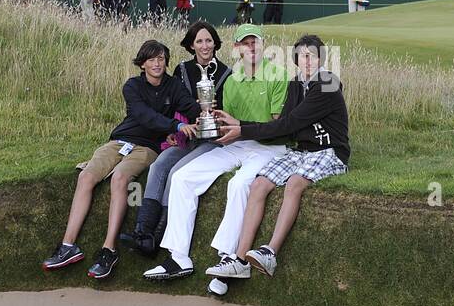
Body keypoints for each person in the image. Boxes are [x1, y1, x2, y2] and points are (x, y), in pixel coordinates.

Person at [42, 39, 202, 279]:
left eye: (161, 58)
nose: (157, 63)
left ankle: (109, 250)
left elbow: (189, 107)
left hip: (147, 148)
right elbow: (144, 116)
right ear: (142, 64)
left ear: (166, 61)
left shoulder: (174, 86)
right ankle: (68, 246)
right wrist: (176, 125)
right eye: (151, 59)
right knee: (86, 176)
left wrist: (203, 115)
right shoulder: (132, 86)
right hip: (120, 141)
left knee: (120, 178)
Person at [145, 24, 288, 280]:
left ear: (263, 44)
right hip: (239, 142)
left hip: (270, 147)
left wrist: (240, 128)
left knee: (239, 183)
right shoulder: (232, 81)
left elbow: (278, 127)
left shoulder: (279, 75)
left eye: (256, 41)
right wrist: (219, 128)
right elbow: (232, 125)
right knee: (181, 178)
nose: (252, 46)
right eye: (246, 42)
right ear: (236, 48)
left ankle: (229, 257)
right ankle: (179, 257)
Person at [208, 34, 350, 286]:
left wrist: (242, 130)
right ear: (296, 59)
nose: (307, 61)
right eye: (302, 56)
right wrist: (240, 124)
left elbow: (291, 123)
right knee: (259, 184)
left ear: (321, 59)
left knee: (295, 182)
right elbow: (283, 126)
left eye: (313, 56)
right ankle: (240, 261)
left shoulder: (327, 84)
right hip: (302, 151)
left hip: (329, 151)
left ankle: (270, 253)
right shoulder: (296, 84)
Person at [121, 21, 232, 257]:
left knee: (175, 173)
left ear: (215, 43)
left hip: (213, 138)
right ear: (191, 45)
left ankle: (157, 236)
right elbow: (177, 105)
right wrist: (173, 129)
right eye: (199, 41)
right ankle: (142, 232)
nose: (204, 45)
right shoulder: (181, 71)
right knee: (159, 165)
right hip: (186, 134)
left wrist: (210, 116)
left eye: (208, 40)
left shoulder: (227, 74)